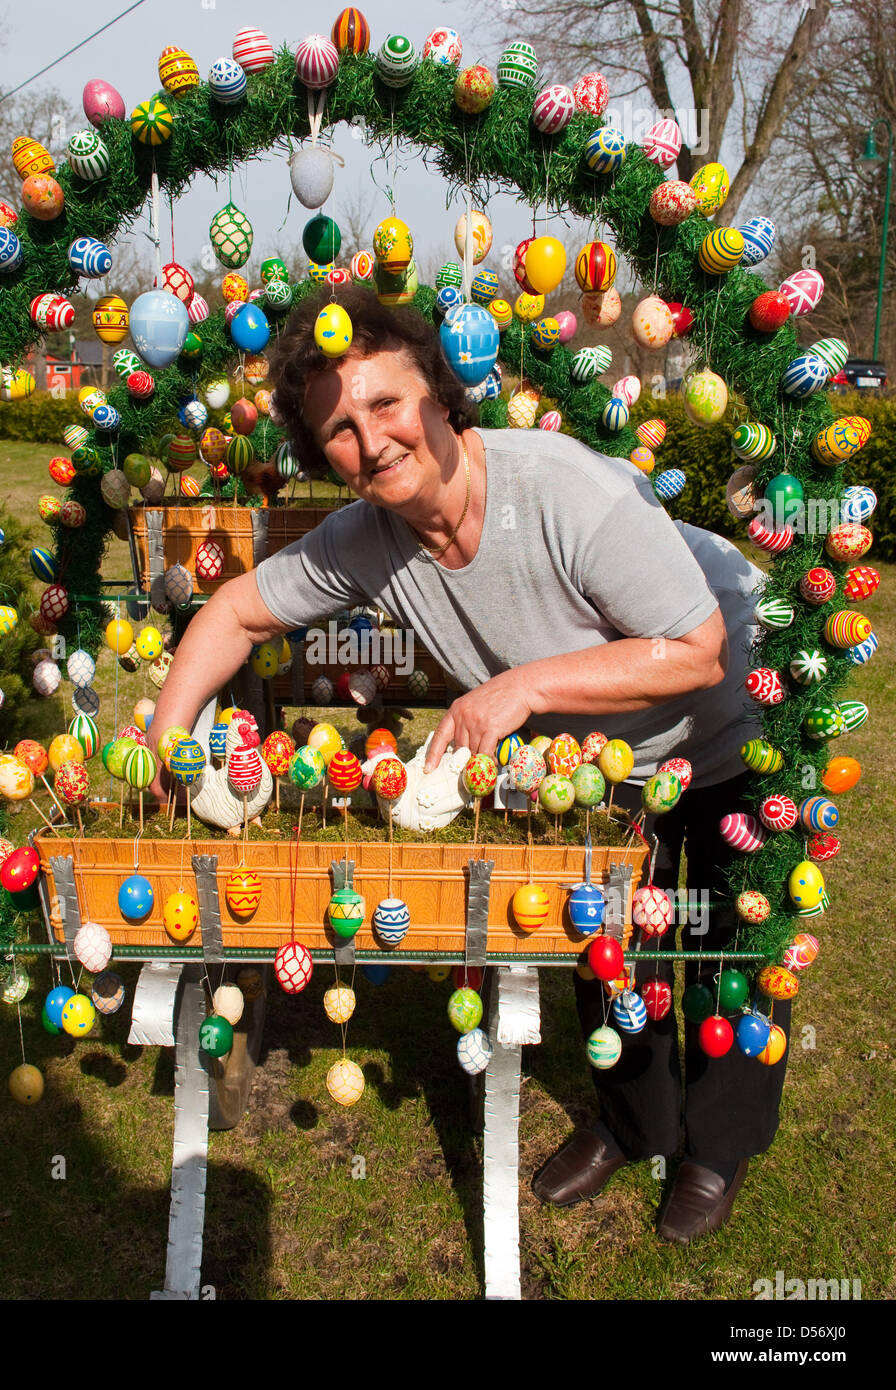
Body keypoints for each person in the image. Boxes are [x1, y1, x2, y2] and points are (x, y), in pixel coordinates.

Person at [146, 282, 784, 1244]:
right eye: (339, 430)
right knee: (604, 933)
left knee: (729, 935)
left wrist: (520, 688)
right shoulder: (366, 539)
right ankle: (632, 1125)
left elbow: (695, 647)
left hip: (733, 718)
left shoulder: (566, 490)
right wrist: (165, 733)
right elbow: (234, 611)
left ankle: (715, 1151)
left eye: (386, 404)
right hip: (602, 752)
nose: (372, 442)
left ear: (440, 393)